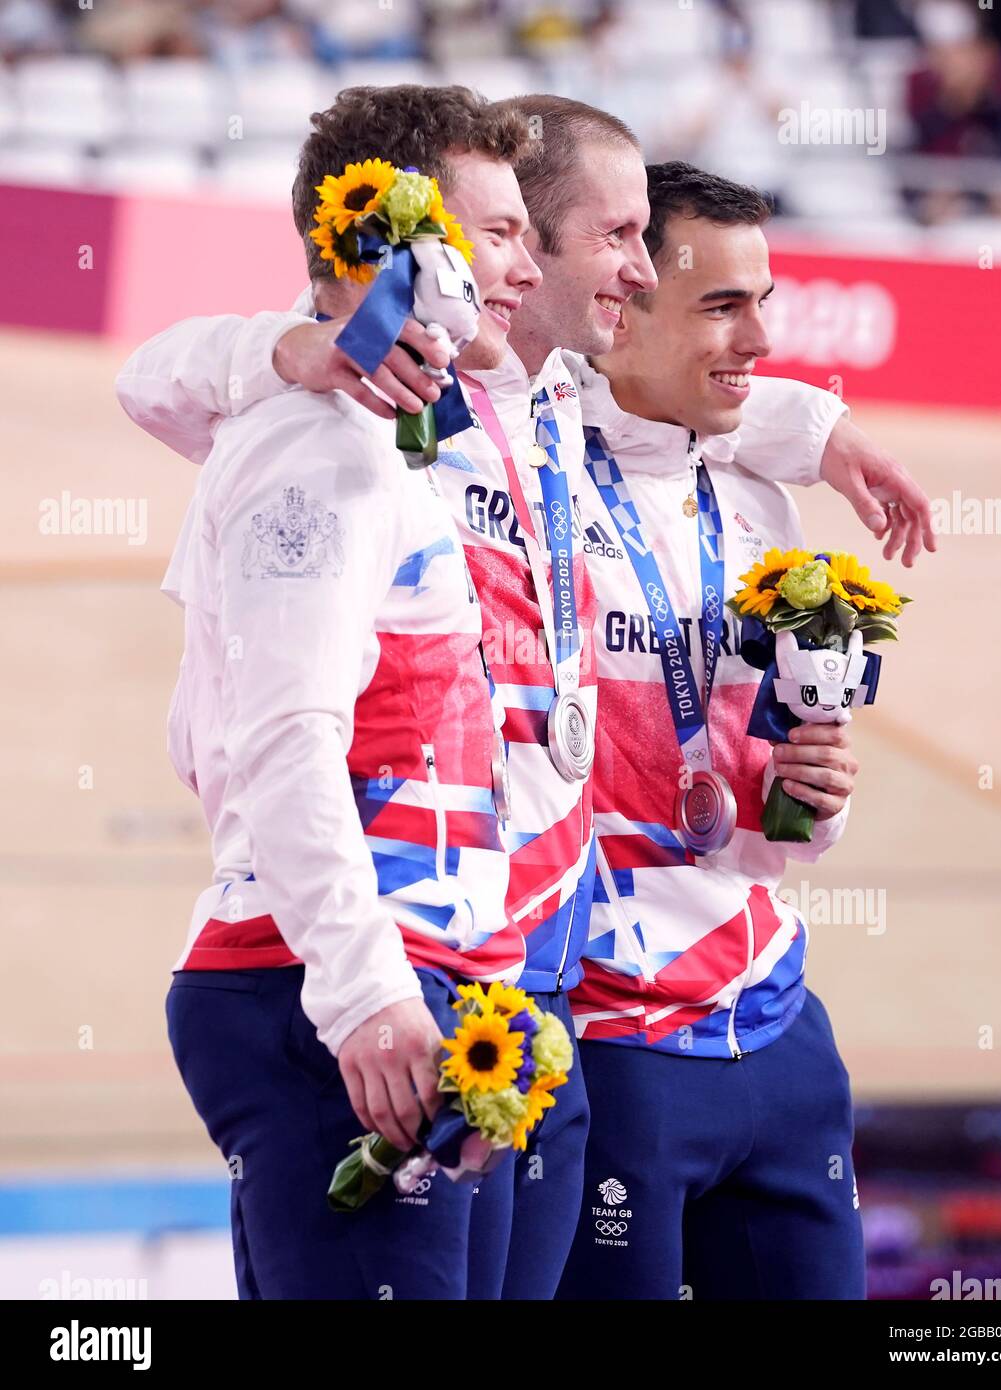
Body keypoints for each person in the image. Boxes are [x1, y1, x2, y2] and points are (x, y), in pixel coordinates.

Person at [117, 92, 934, 1299]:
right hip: (400, 963)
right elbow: (154, 378)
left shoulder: (560, 403)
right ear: (510, 253)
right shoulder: (386, 408)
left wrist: (827, 433)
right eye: (616, 240)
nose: (640, 271)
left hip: (532, 978)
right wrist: (287, 343)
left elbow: (700, 386)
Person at [138, 85, 545, 1300]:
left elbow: (159, 374)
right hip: (340, 998)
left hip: (405, 981)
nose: (528, 266)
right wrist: (370, 995)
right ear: (403, 247)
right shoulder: (321, 451)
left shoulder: (385, 438)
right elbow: (284, 739)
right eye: (504, 233)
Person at [556, 162, 870, 1300]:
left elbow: (764, 803)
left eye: (766, 300)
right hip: (611, 1042)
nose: (763, 337)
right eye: (723, 305)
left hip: (780, 1031)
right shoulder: (530, 476)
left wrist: (818, 797)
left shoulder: (755, 505)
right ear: (620, 299)